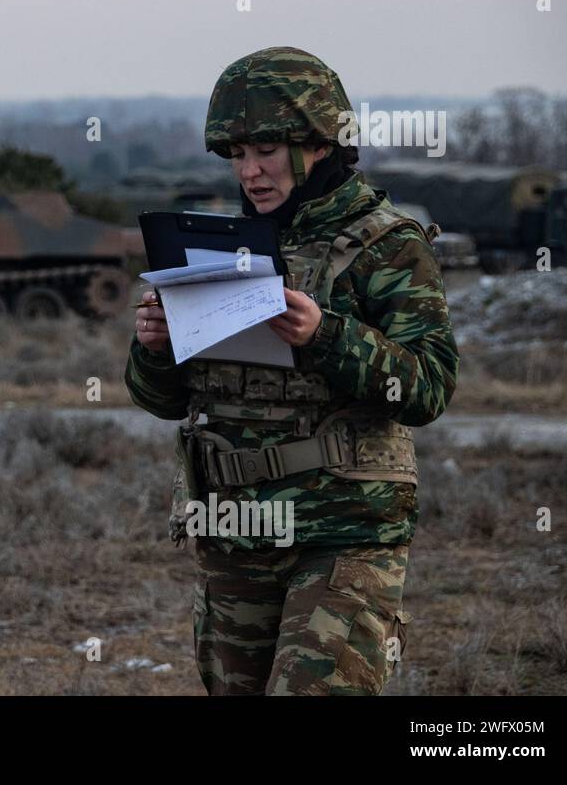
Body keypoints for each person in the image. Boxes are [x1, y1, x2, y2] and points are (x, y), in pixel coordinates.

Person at [125, 47, 459, 695]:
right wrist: (157, 348)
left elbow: (428, 387)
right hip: (235, 530)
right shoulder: (220, 249)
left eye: (267, 151)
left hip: (345, 532)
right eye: (237, 155)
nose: (249, 171)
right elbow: (161, 401)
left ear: (319, 143)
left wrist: (326, 335)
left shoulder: (387, 245)